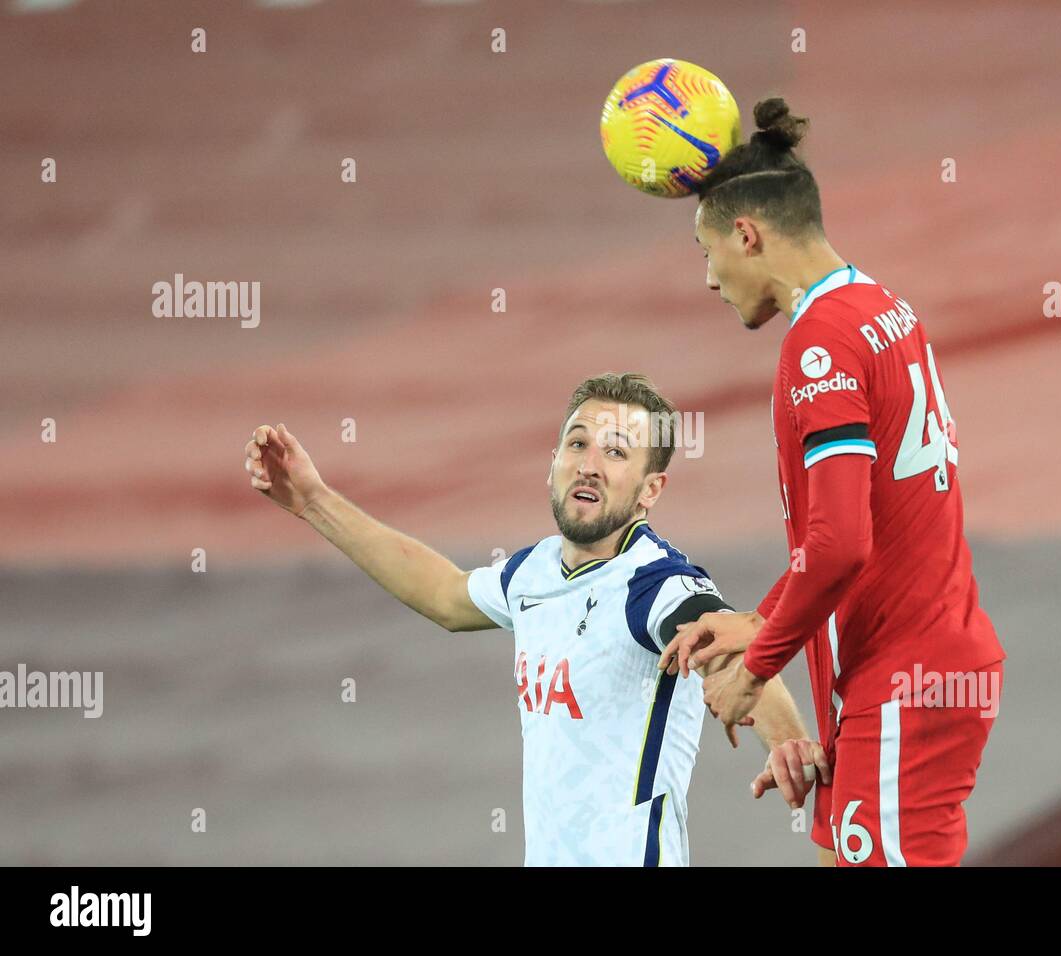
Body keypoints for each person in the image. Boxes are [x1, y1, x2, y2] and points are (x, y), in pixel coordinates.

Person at [243, 371, 827, 866]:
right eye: (577, 444)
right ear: (552, 463)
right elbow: (444, 594)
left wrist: (789, 740)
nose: (590, 465)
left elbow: (735, 648)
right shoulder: (534, 572)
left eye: (617, 452)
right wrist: (314, 502)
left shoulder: (657, 585)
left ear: (651, 491)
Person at [661, 100, 1006, 867]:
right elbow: (864, 532)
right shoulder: (882, 307)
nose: (708, 278)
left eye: (706, 250)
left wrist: (755, 670)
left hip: (904, 679)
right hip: (916, 664)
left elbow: (841, 542)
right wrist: (760, 620)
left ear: (746, 235)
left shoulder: (817, 344)